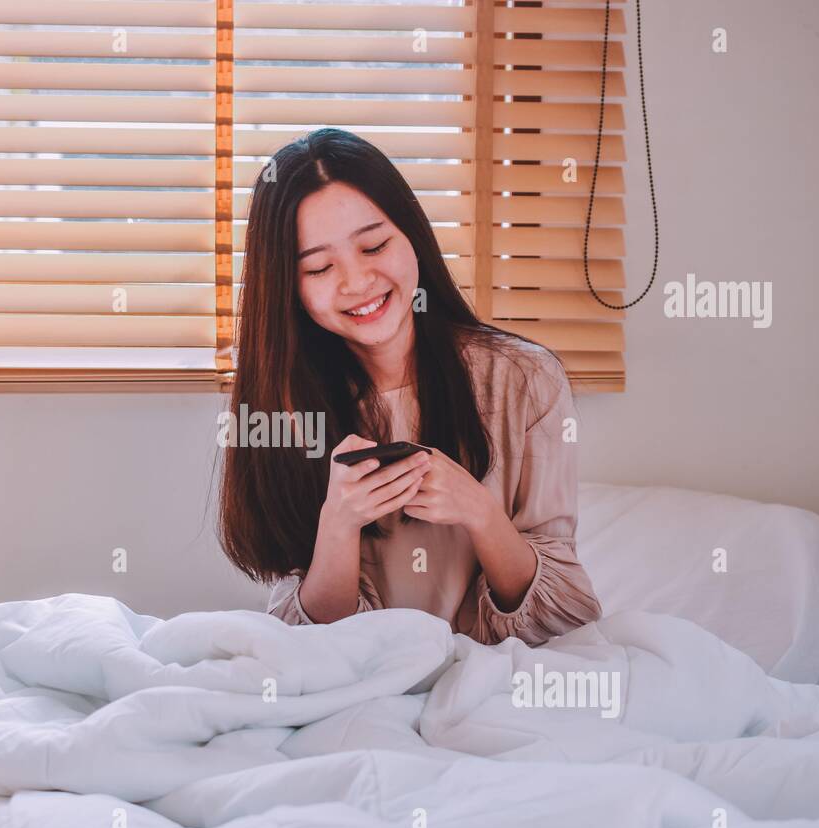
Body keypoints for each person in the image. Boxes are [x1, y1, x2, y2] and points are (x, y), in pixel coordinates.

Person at [218, 128, 602, 646]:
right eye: (320, 267)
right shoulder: (283, 406)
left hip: (496, 681)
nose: (357, 282)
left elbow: (566, 621)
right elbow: (305, 647)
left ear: (413, 237)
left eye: (374, 245)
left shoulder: (525, 379)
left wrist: (481, 513)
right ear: (290, 286)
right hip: (361, 690)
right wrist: (338, 525)